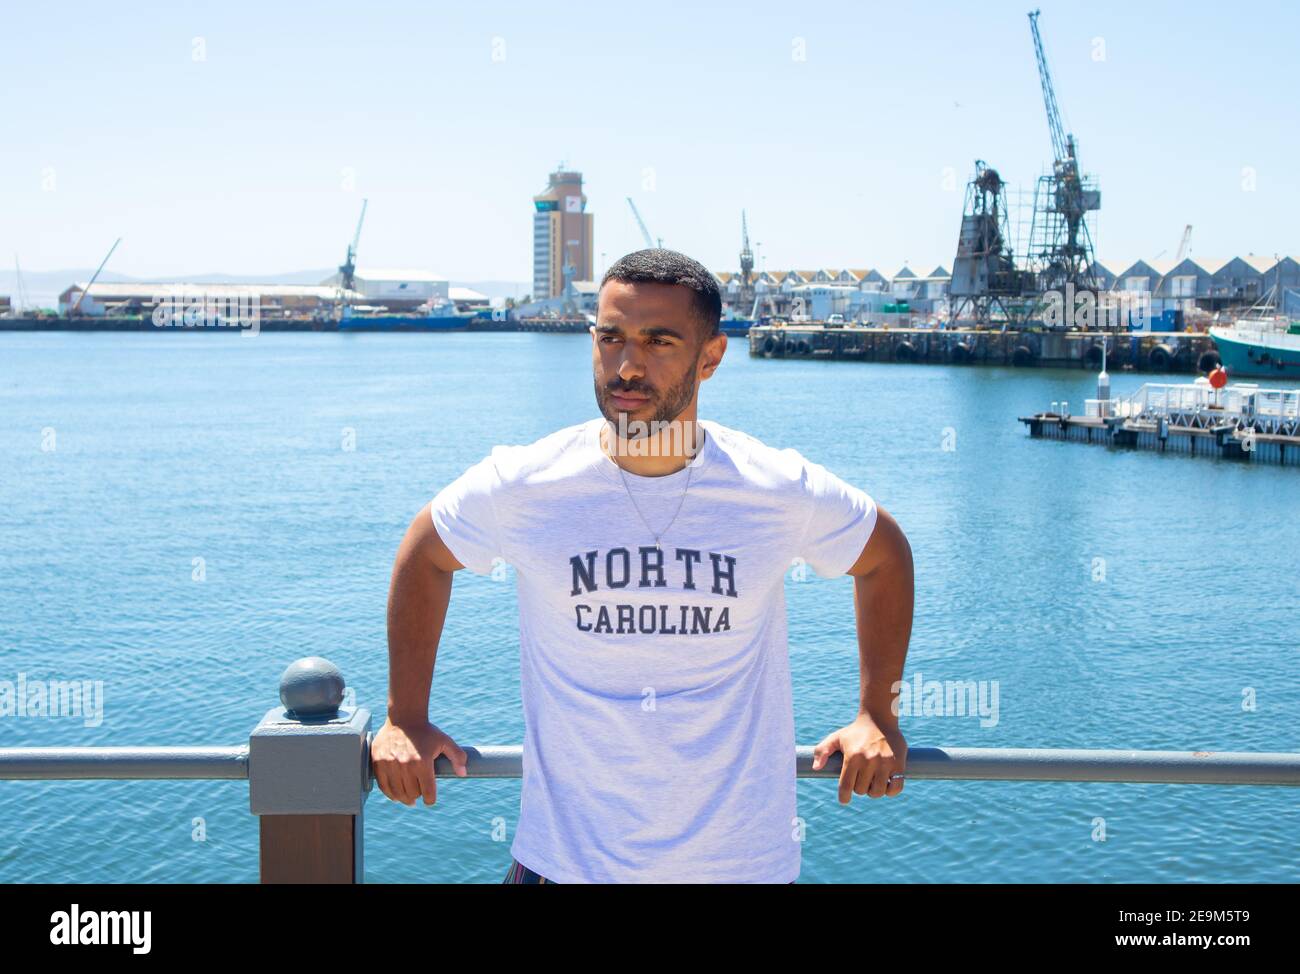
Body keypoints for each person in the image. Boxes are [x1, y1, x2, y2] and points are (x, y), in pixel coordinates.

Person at [370, 249, 914, 884]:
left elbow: (884, 557)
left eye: (658, 341)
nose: (627, 366)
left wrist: (877, 713)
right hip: (565, 864)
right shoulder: (527, 483)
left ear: (710, 358)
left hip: (739, 865)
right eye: (611, 337)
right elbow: (424, 552)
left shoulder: (773, 488)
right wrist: (405, 715)